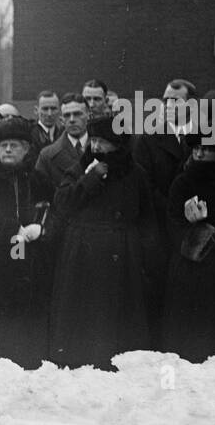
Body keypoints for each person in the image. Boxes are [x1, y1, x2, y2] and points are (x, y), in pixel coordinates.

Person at [48, 115, 162, 370]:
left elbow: (147, 219)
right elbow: (63, 203)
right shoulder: (81, 167)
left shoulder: (135, 173)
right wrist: (89, 180)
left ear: (118, 144)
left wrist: (148, 257)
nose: (96, 148)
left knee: (118, 314)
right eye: (94, 140)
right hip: (83, 252)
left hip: (123, 250)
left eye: (103, 142)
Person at [0, 117, 54, 368]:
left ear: (26, 149)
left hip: (30, 267)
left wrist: (42, 228)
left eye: (14, 145)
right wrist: (12, 229)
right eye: (3, 145)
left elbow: (55, 210)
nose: (7, 150)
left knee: (25, 327)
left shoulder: (38, 180)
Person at [163, 128, 215, 362]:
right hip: (190, 262)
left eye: (206, 149)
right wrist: (196, 230)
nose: (199, 154)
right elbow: (172, 220)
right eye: (197, 149)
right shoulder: (183, 179)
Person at [131, 78, 194, 347]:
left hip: (195, 225)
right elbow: (145, 184)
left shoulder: (204, 135)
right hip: (159, 227)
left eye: (175, 100)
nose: (168, 105)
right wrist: (174, 208)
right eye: (165, 99)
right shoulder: (148, 138)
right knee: (159, 285)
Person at [35, 93, 90, 192]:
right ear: (61, 120)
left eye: (77, 114)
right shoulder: (47, 156)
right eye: (67, 115)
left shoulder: (104, 148)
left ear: (89, 115)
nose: (72, 120)